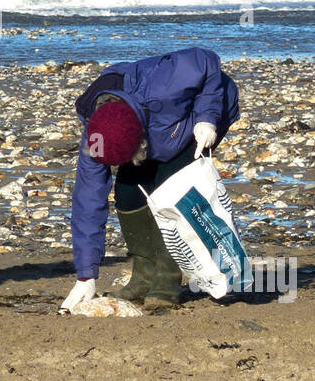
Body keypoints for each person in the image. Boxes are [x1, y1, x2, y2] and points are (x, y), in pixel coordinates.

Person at [59, 47, 240, 312]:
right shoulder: (96, 134)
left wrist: (207, 118)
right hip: (155, 127)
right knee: (128, 190)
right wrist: (86, 276)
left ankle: (168, 276)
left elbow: (207, 60)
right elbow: (88, 199)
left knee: (166, 188)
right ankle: (144, 275)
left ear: (142, 140)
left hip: (196, 120)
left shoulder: (166, 84)